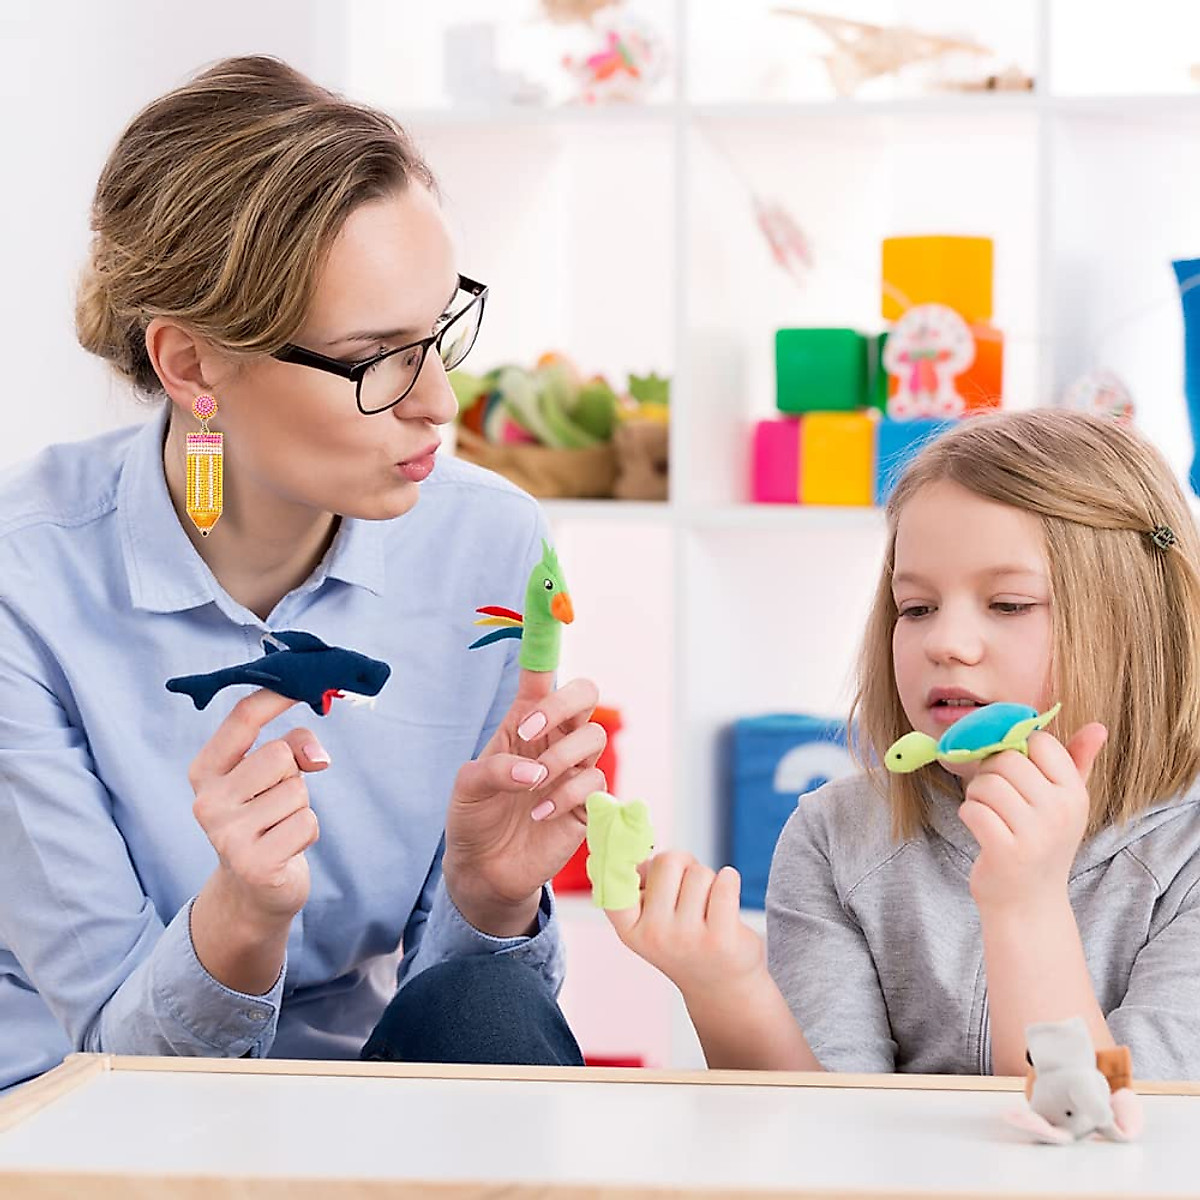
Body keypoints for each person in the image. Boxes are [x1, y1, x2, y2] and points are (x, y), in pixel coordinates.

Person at [0, 55, 605, 1092]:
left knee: (491, 1004)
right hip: (71, 1112)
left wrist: (491, 896)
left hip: (348, 1108)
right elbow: (111, 1064)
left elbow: (463, 1027)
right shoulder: (26, 581)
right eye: (378, 356)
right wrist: (240, 919)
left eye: (439, 331)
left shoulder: (488, 543)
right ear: (192, 365)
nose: (440, 403)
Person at [607, 410, 1200, 1079]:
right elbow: (827, 1124)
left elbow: (1107, 1127)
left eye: (1008, 604)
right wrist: (728, 989)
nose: (944, 642)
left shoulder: (1188, 858)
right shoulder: (836, 835)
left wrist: (1028, 903)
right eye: (916, 608)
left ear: (1138, 624)